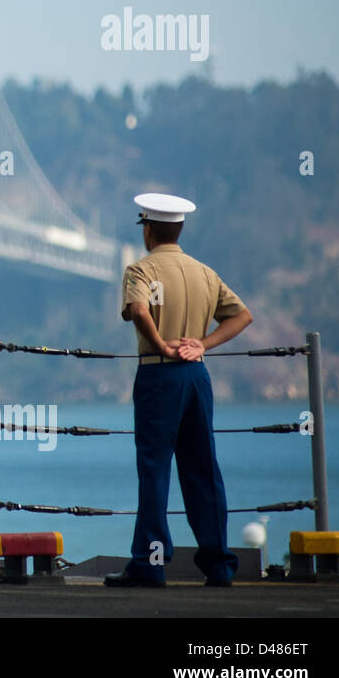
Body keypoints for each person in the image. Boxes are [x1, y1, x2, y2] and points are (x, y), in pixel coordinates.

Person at [105, 193, 253, 588]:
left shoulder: (140, 270)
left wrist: (159, 343)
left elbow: (138, 311)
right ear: (181, 228)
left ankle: (150, 565)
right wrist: (203, 342)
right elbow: (243, 315)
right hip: (197, 376)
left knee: (155, 471)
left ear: (148, 229)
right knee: (203, 469)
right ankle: (219, 564)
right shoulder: (204, 272)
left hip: (159, 376)